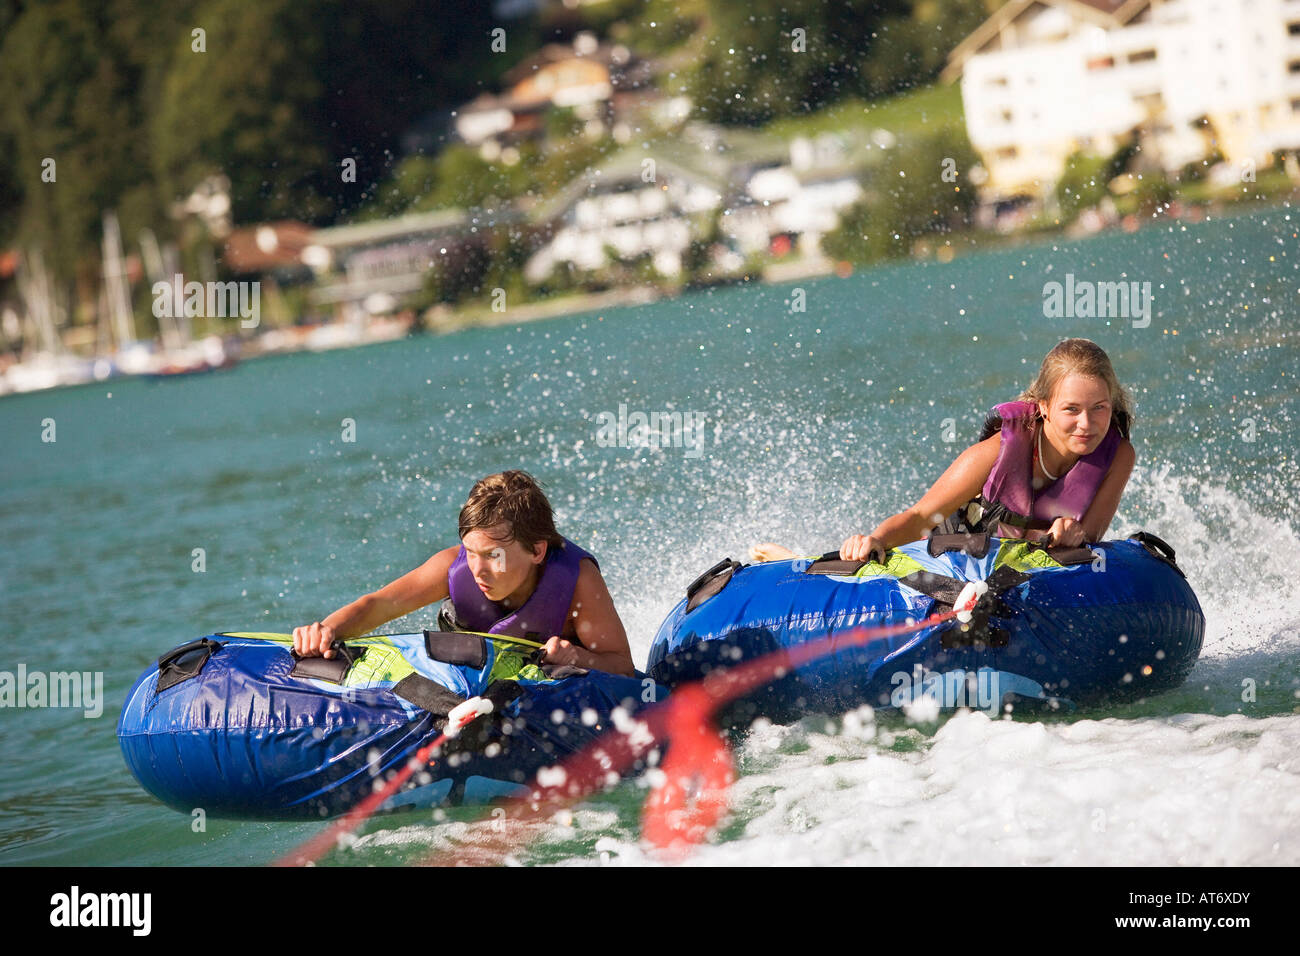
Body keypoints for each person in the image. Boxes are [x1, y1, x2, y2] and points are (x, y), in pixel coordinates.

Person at [751, 338, 1136, 564]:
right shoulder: (1000, 449)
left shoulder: (1118, 456)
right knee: (883, 565)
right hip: (954, 552)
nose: (1087, 423)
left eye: (1099, 408)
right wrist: (876, 541)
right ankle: (800, 565)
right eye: (1071, 409)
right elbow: (920, 515)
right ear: (1043, 406)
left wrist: (1073, 534)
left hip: (1027, 563)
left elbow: (1094, 534)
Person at [293, 470, 636, 676]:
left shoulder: (577, 582)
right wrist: (326, 630)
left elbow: (621, 664)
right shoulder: (452, 568)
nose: (477, 569)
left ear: (537, 550)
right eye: (470, 553)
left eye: (492, 556)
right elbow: (377, 606)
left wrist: (576, 656)